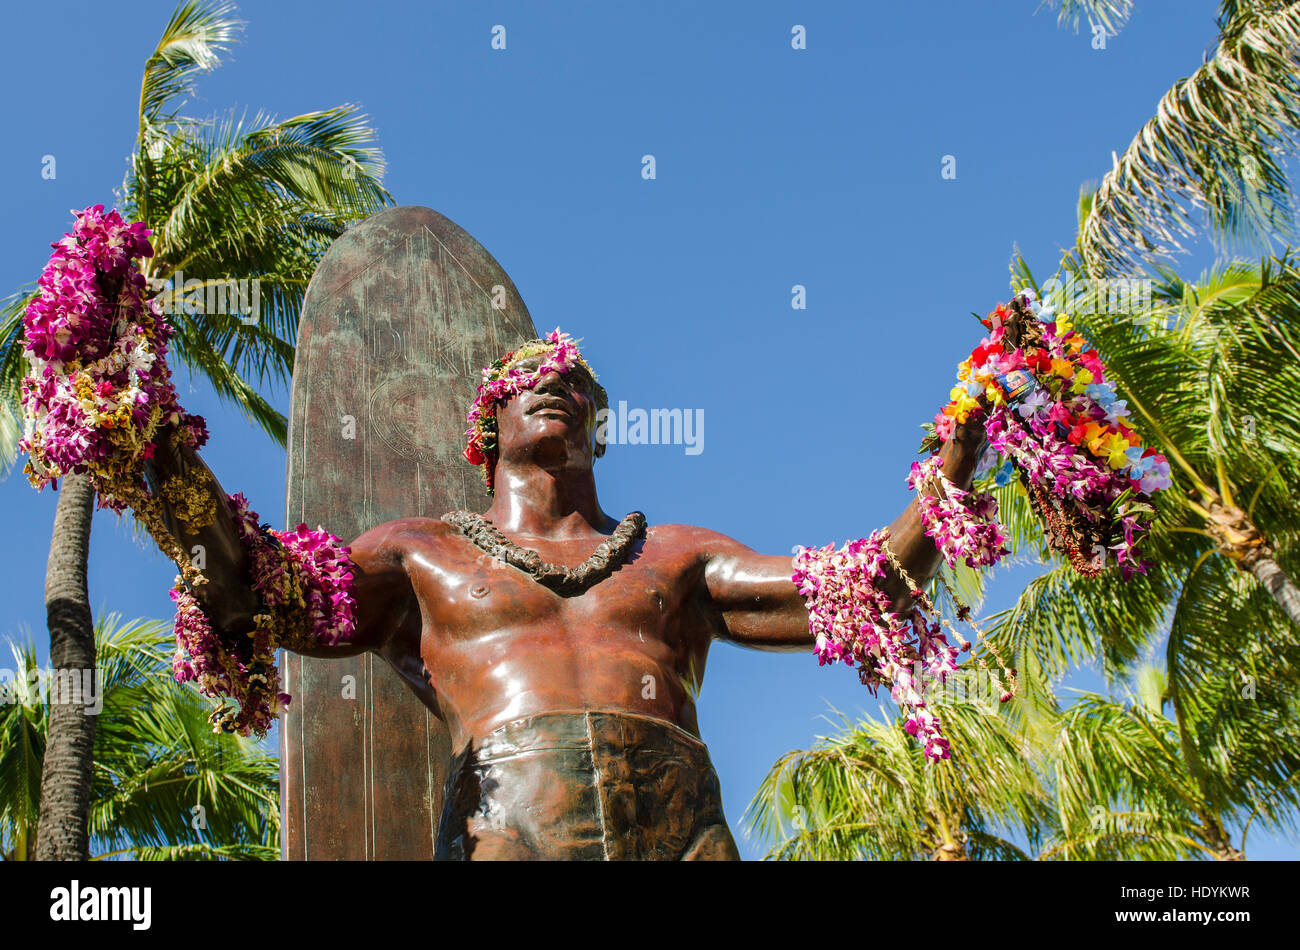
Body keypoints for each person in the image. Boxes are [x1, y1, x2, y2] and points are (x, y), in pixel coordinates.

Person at [147, 331, 987, 860]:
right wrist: (151, 437)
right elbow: (260, 589)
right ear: (487, 429)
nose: (558, 380)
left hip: (684, 828)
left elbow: (860, 588)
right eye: (527, 376)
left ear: (597, 427)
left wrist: (959, 457)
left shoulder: (675, 554)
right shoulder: (422, 554)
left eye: (578, 380)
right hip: (509, 826)